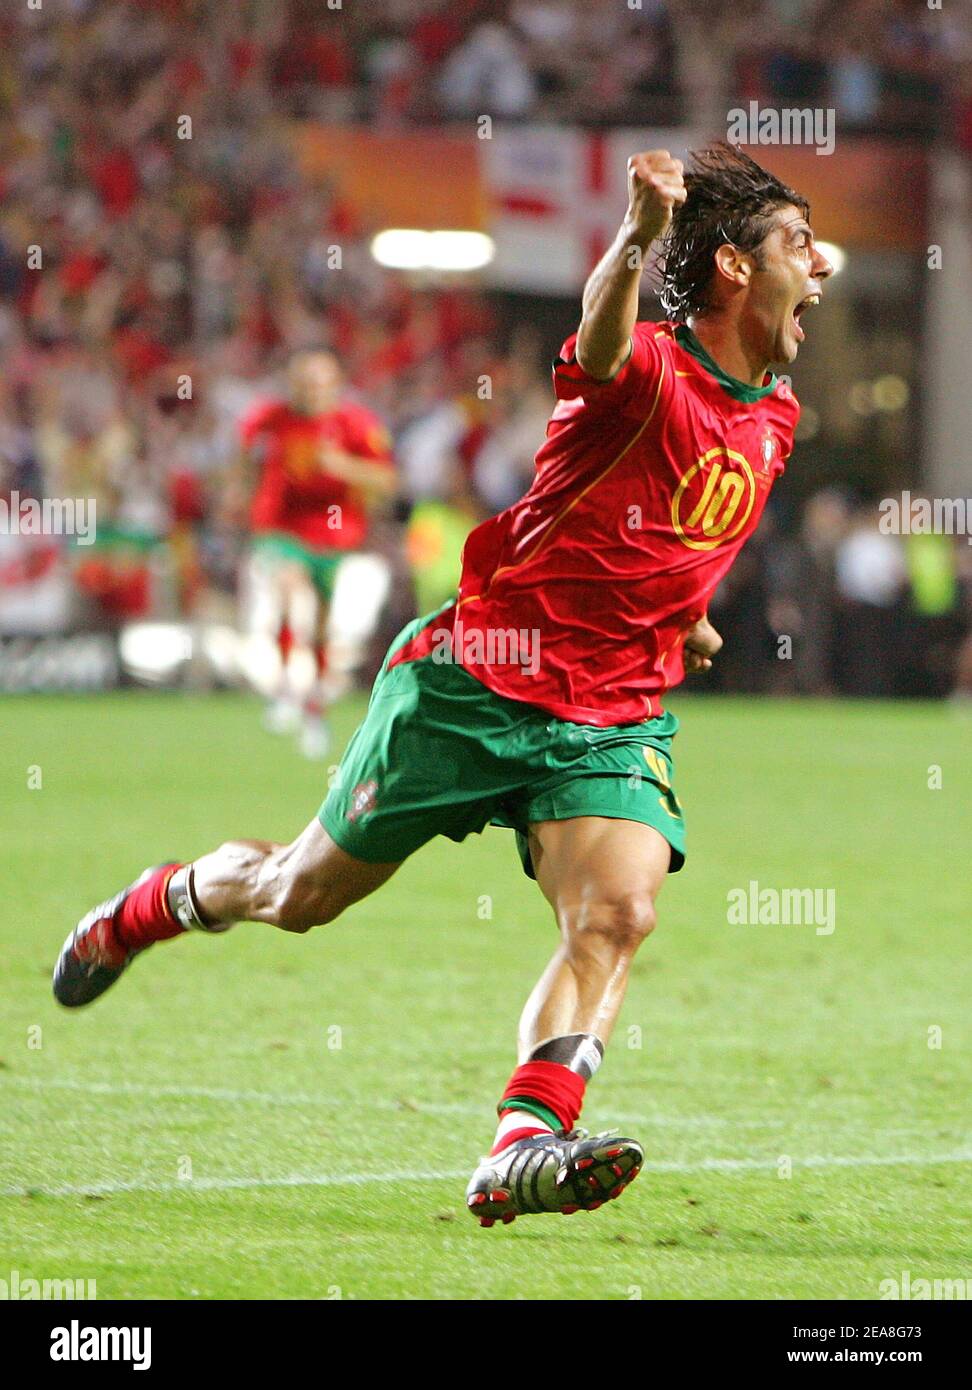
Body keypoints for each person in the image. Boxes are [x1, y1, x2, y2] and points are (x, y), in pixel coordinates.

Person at [54, 145, 832, 1226]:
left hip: (610, 708)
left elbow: (675, 524)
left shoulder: (775, 415)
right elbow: (604, 334)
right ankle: (159, 902)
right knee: (299, 895)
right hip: (478, 680)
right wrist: (633, 236)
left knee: (619, 912)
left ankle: (525, 1138)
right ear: (738, 270)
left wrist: (685, 611)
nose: (826, 264)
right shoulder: (648, 368)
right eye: (801, 242)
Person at [231, 350, 396, 758]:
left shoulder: (356, 424)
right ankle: (287, 689)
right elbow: (241, 460)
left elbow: (388, 480)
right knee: (287, 582)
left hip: (334, 535)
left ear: (335, 383)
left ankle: (313, 707)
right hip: (282, 529)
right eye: (304, 381)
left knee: (323, 622)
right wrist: (242, 491)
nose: (311, 390)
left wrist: (342, 466)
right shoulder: (269, 418)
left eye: (320, 381)